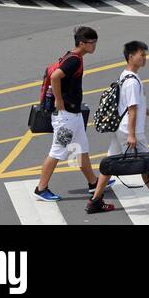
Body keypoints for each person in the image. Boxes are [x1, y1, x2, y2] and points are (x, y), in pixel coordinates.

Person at [87, 41, 149, 213]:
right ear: (131, 57)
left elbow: (133, 105)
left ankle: (95, 202)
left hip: (121, 129)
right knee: (146, 163)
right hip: (131, 130)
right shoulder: (132, 82)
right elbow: (131, 109)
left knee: (109, 163)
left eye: (145, 55)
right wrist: (132, 135)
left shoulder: (126, 75)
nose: (145, 58)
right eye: (142, 55)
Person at [34, 26, 101, 202]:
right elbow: (56, 76)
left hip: (74, 116)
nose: (94, 46)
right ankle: (41, 188)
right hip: (66, 117)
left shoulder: (72, 56)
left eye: (95, 42)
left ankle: (93, 183)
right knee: (57, 152)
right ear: (82, 43)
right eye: (92, 43)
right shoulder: (75, 60)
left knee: (82, 150)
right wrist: (59, 100)